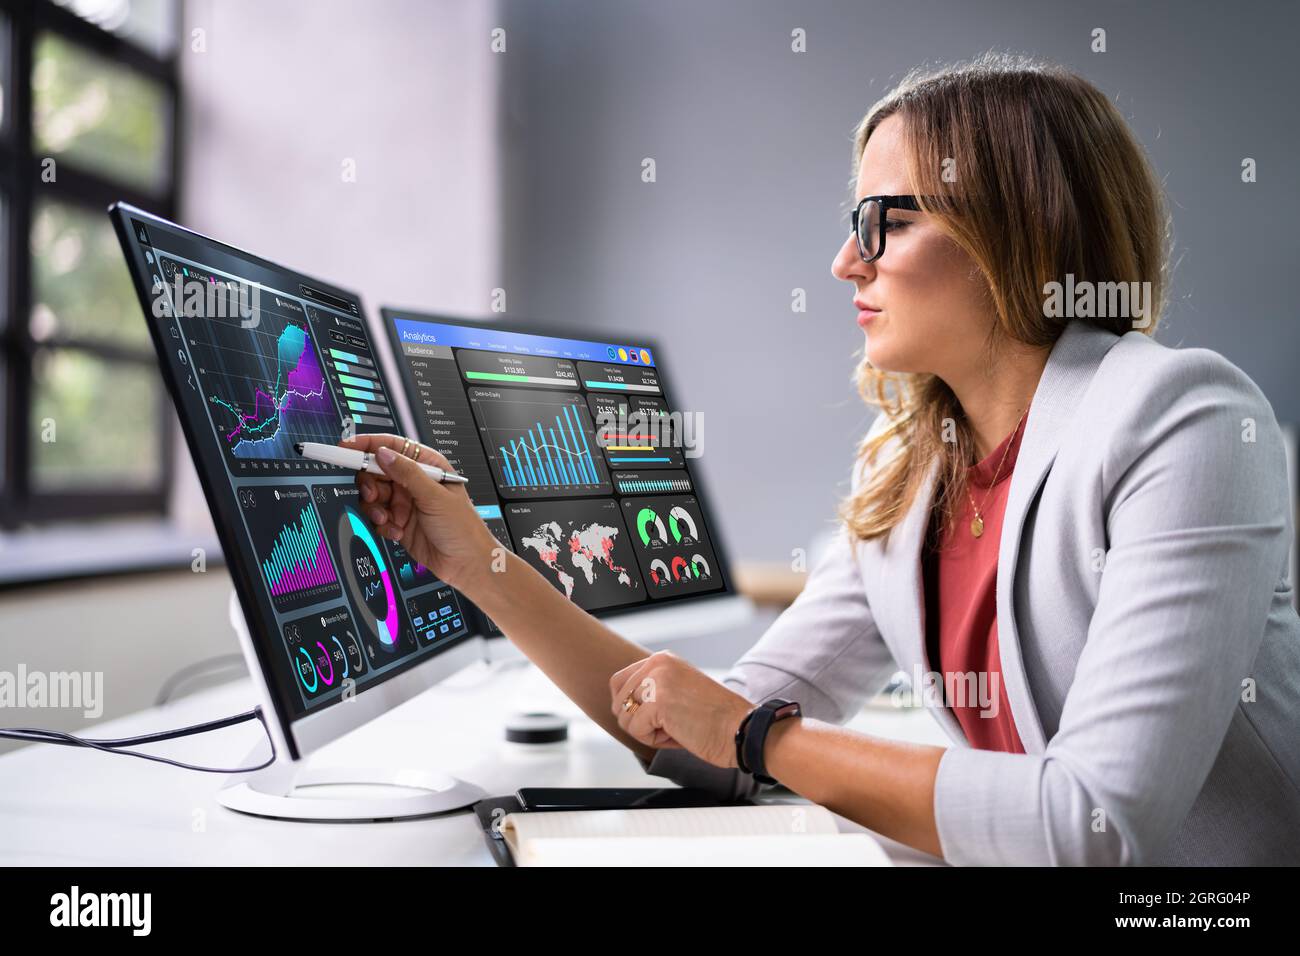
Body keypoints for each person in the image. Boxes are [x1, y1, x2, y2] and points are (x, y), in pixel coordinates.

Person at [343, 52, 1300, 865]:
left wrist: (763, 737)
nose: (849, 263)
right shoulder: (912, 468)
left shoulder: (1181, 418)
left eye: (887, 221)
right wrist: (483, 566)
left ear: (1019, 228)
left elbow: (1092, 823)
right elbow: (703, 736)